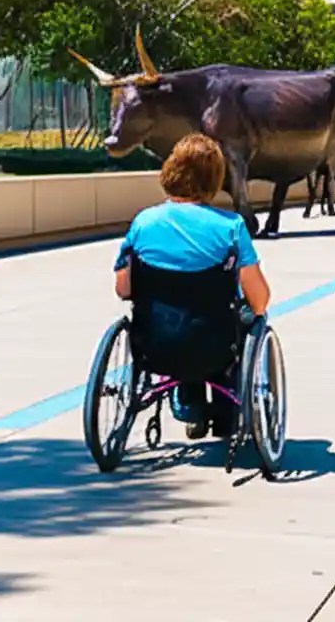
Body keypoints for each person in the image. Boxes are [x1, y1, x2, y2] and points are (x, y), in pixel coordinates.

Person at [113, 133, 272, 439]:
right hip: (215, 343)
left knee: (177, 317)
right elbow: (260, 300)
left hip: (156, 342)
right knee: (243, 320)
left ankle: (191, 406)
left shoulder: (143, 222)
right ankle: (226, 412)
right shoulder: (231, 227)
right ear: (215, 178)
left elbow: (124, 289)